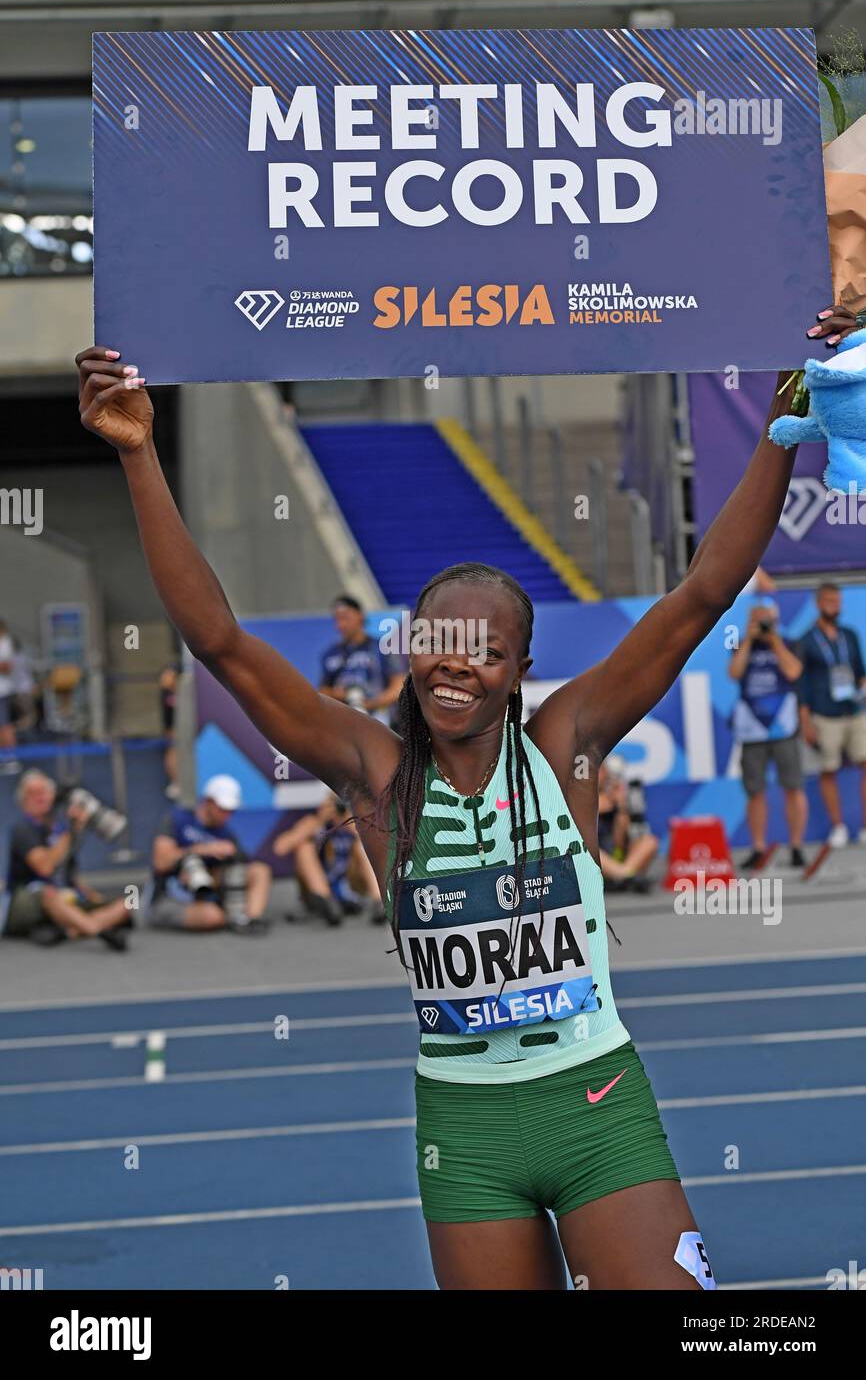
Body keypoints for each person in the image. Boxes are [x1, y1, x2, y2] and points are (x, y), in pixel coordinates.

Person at [75, 302, 854, 1291]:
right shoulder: (374, 775)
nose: (456, 666)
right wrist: (141, 456)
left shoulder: (566, 743)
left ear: (519, 667)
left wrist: (788, 403)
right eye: (438, 643)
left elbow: (703, 590)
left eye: (483, 650)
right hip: (465, 1124)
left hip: (595, 1099)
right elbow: (220, 644)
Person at [2, 768, 130, 949]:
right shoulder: (23, 829)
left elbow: (65, 869)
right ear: (23, 802)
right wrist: (72, 831)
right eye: (33, 794)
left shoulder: (58, 828)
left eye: (44, 792)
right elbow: (45, 868)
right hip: (26, 901)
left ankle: (68, 931)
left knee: (128, 902)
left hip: (63, 897)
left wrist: (83, 890)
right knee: (49, 894)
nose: (40, 798)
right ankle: (99, 930)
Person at [728, 602, 807, 868]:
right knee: (755, 791)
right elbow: (734, 673)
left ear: (776, 620)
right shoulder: (740, 644)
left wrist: (773, 641)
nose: (762, 625)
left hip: (783, 726)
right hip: (752, 728)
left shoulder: (788, 642)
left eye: (767, 621)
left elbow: (794, 671)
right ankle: (758, 846)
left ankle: (796, 845)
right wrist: (749, 640)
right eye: (757, 620)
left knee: (793, 786)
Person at [144, 773, 272, 931]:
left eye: (230, 811)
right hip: (169, 893)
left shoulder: (225, 833)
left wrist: (232, 855)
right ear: (208, 802)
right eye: (223, 809)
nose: (227, 815)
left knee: (260, 870)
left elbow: (241, 867)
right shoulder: (178, 819)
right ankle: (226, 916)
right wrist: (203, 850)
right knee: (212, 917)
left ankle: (251, 919)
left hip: (206, 889)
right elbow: (160, 862)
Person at [797, 583, 866, 848]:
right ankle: (837, 825)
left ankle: (864, 826)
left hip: (854, 709)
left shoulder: (849, 635)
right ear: (818, 603)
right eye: (828, 600)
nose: (833, 605)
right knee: (829, 768)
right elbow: (801, 683)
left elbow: (859, 670)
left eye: (837, 600)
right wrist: (806, 721)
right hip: (825, 713)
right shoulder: (806, 640)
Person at [273, 792, 386, 925]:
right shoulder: (313, 822)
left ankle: (379, 901)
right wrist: (318, 822)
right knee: (304, 848)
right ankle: (328, 903)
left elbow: (377, 842)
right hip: (318, 889)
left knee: (361, 845)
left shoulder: (351, 823)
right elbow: (279, 848)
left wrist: (348, 822)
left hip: (348, 885)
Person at [319, 595, 405, 725]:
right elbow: (322, 690)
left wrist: (372, 703)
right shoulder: (331, 654)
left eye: (346, 618)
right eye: (337, 620)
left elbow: (399, 686)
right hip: (342, 718)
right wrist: (342, 694)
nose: (341, 625)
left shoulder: (382, 648)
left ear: (360, 616)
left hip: (378, 717)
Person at [596, 758, 658, 892]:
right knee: (593, 850)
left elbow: (619, 841)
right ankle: (626, 875)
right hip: (597, 857)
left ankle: (620, 877)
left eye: (601, 771)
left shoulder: (614, 797)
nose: (598, 775)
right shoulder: (582, 798)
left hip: (615, 853)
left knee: (649, 842)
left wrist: (621, 807)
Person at [0, 618, 19, 775]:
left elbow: (7, 668)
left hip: (2, 692)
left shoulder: (5, 643)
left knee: (5, 726)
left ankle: (11, 759)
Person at [159, 661, 180, 799]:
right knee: (172, 752)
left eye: (170, 675)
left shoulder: (183, 691)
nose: (166, 678)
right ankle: (176, 782)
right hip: (172, 728)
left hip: (183, 729)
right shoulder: (166, 693)